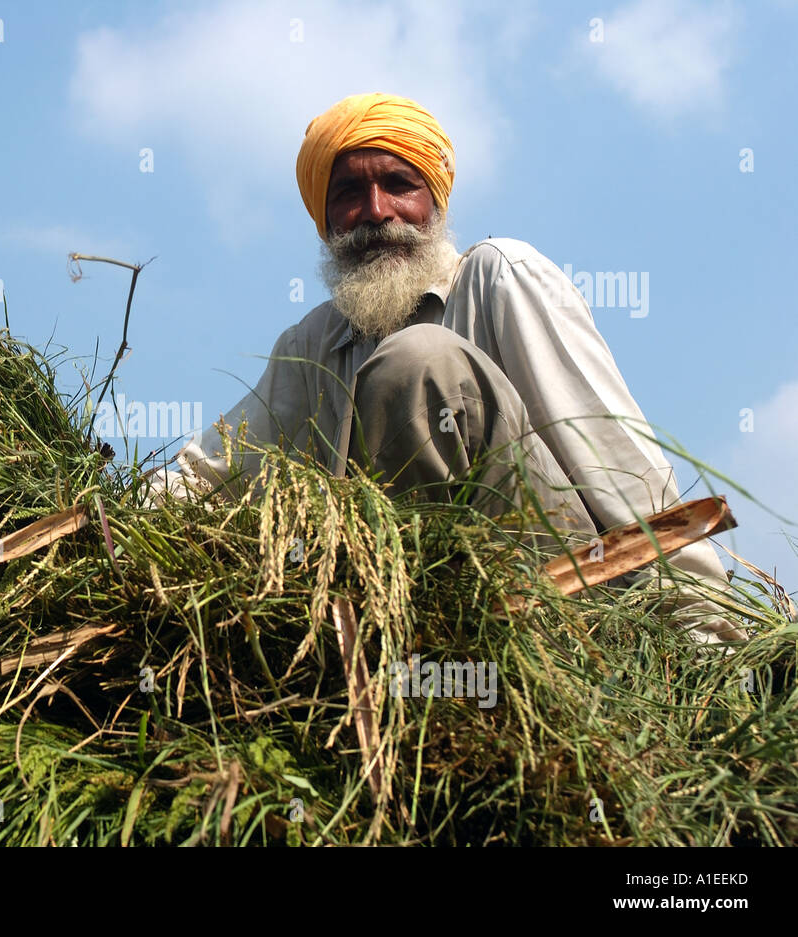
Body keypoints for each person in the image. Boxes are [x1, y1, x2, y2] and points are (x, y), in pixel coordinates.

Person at [151, 92, 744, 643]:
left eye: (398, 185)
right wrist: (97, 529)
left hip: (563, 595)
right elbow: (206, 479)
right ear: (325, 219)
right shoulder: (313, 343)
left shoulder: (500, 276)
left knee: (417, 359)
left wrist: (701, 636)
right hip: (405, 625)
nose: (376, 212)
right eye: (348, 193)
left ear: (434, 200)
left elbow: (611, 456)